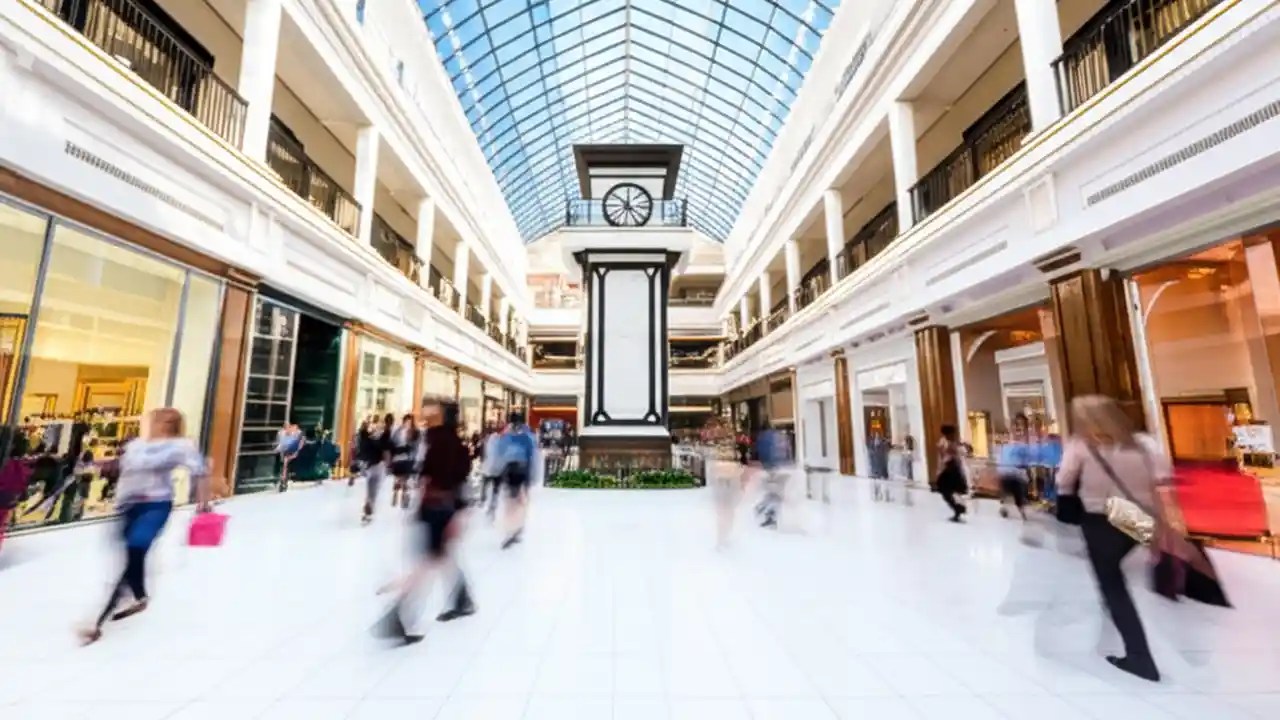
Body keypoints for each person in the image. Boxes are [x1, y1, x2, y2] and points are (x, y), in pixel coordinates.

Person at [1056, 395, 1170, 682]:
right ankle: (1111, 607)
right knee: (1113, 571)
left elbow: (1064, 480)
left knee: (1113, 585)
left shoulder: (1081, 445)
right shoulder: (1143, 444)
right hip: (1136, 515)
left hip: (1102, 515)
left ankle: (1139, 657)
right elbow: (1159, 483)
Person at [79, 408, 208, 645]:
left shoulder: (180, 446)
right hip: (127, 506)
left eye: (165, 420)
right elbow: (122, 467)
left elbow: (199, 471)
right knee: (128, 555)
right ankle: (137, 595)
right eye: (156, 419)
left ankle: (98, 620)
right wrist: (98, 465)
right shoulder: (136, 445)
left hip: (156, 505)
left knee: (136, 547)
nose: (158, 423)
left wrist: (203, 503)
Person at [374, 400, 474, 644]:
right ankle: (462, 600)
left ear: (443, 416)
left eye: (433, 411)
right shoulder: (433, 438)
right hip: (435, 507)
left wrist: (457, 513)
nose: (426, 413)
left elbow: (454, 479)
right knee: (438, 559)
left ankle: (401, 615)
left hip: (439, 508)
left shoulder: (446, 442)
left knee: (427, 563)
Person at [496, 411, 537, 549]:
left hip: (511, 471)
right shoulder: (526, 436)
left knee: (512, 502)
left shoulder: (506, 436)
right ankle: (515, 528)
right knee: (519, 502)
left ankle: (512, 529)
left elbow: (500, 453)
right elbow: (532, 455)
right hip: (520, 471)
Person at [358, 415, 393, 525]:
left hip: (371, 466)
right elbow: (386, 451)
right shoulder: (380, 438)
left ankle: (368, 510)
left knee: (371, 490)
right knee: (373, 491)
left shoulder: (368, 438)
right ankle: (368, 510)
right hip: (377, 466)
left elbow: (363, 436)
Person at [999, 415, 1033, 520]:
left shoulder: (1022, 443)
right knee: (1007, 491)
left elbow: (1025, 458)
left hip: (1016, 473)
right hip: (1008, 472)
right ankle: (1007, 507)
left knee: (1017, 493)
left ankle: (1020, 511)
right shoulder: (1007, 444)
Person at [936, 424, 967, 522]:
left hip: (951, 468)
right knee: (948, 491)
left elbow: (955, 455)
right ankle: (958, 508)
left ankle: (958, 508)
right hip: (950, 468)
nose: (952, 435)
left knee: (948, 491)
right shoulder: (947, 442)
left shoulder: (949, 442)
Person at [389, 414, 420, 510]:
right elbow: (392, 443)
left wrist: (410, 448)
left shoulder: (415, 432)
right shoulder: (398, 431)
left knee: (405, 479)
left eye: (410, 422)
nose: (408, 424)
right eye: (406, 421)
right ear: (404, 421)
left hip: (408, 458)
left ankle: (404, 498)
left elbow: (416, 446)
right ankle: (395, 493)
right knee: (398, 478)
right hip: (397, 458)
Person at [479, 423, 505, 520]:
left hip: (490, 468)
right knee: (494, 489)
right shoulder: (500, 441)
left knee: (486, 486)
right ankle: (491, 506)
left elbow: (484, 453)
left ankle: (484, 502)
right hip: (496, 469)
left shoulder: (489, 440)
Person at [275, 422, 303, 493]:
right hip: (285, 453)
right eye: (285, 427)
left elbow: (298, 445)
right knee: (284, 467)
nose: (287, 429)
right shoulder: (282, 434)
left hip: (291, 453)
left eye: (288, 427)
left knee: (286, 467)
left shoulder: (296, 435)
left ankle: (284, 481)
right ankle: (283, 481)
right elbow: (280, 444)